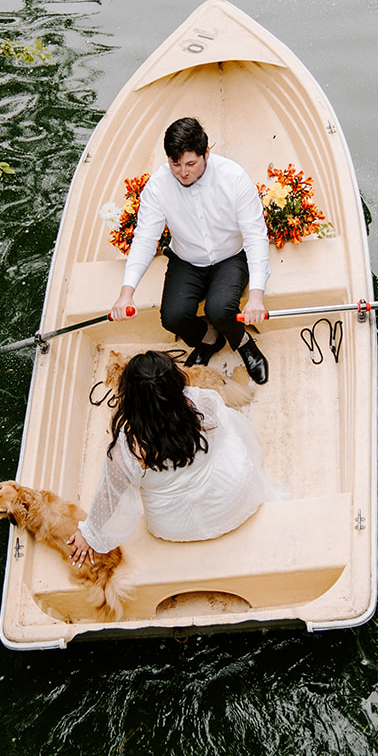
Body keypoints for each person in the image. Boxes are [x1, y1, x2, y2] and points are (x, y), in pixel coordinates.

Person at [67, 350, 279, 563]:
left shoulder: (125, 449)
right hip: (231, 503)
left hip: (174, 526)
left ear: (129, 397)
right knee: (230, 427)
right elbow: (223, 431)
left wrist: (89, 534)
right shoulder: (204, 402)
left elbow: (107, 498)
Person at [110, 116, 270, 385]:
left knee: (221, 309)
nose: (183, 172)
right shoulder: (159, 185)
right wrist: (126, 293)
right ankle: (209, 339)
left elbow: (255, 236)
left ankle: (243, 343)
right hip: (186, 259)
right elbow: (145, 238)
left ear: (206, 153)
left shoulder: (234, 177)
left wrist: (256, 296)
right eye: (176, 164)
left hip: (230, 256)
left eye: (191, 164)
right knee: (172, 317)